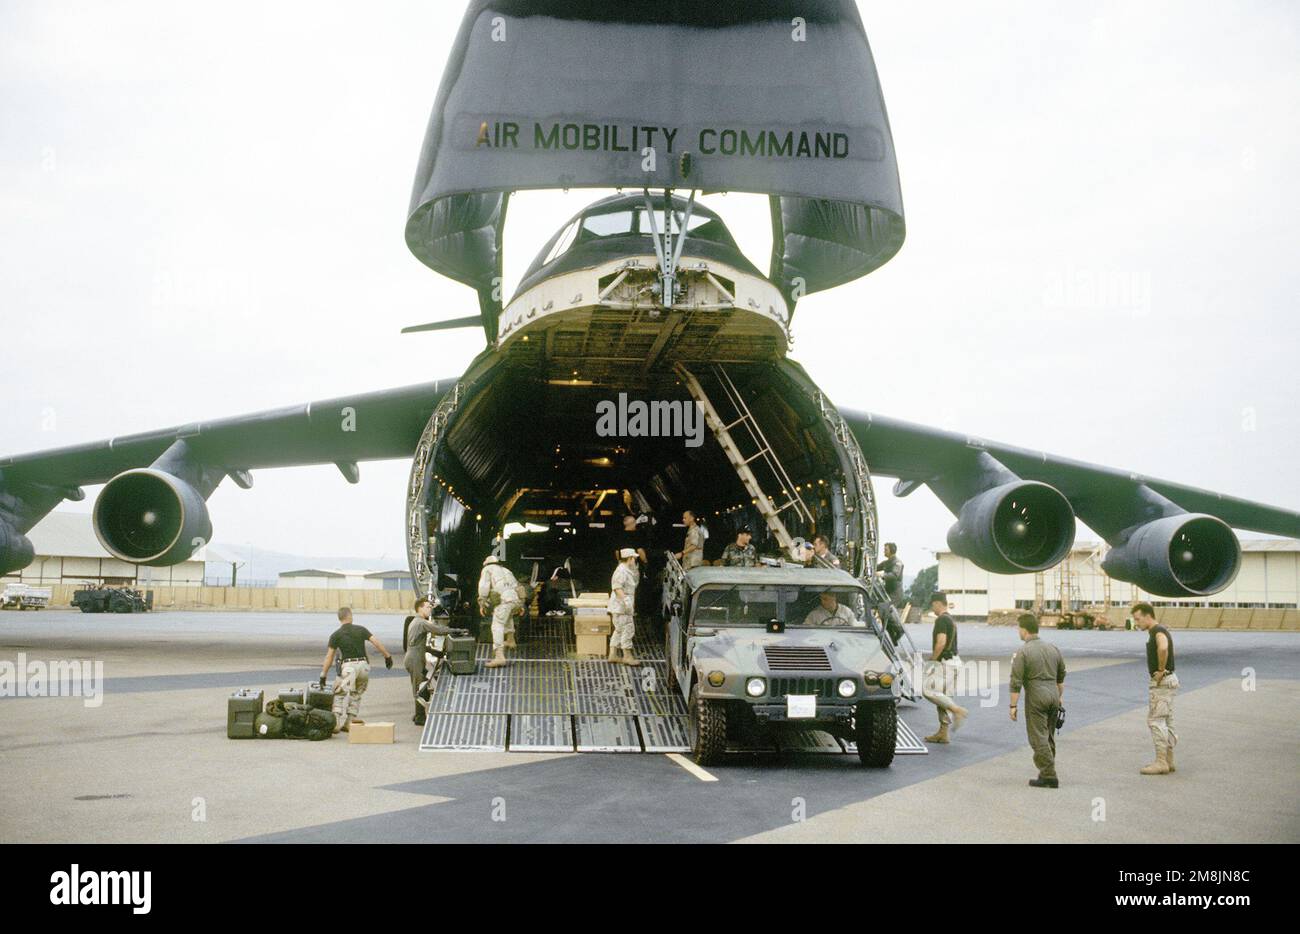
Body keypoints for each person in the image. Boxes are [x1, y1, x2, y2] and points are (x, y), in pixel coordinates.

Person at [1009, 613, 1066, 787]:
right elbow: (1061, 678)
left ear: (1024, 630)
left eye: (1018, 628)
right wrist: (1059, 697)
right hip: (1054, 695)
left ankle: (1049, 774)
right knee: (1048, 735)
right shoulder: (1053, 648)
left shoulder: (1023, 652)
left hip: (1036, 695)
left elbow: (1016, 682)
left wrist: (1013, 705)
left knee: (1037, 737)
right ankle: (1045, 772)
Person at [319, 606, 392, 734]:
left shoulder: (336, 635)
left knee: (339, 693)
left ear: (339, 618)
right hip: (364, 667)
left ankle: (336, 722)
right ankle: (349, 722)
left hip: (348, 668)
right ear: (350, 616)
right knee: (356, 694)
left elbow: (329, 656)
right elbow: (376, 642)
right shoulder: (361, 630)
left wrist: (323, 675)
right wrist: (387, 656)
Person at [1132, 602, 1178, 775]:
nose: (1137, 623)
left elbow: (1163, 646)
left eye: (1138, 619)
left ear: (1147, 616)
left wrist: (1160, 670)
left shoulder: (1157, 631)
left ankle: (1161, 762)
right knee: (1167, 721)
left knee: (1156, 720)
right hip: (1170, 680)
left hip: (1162, 682)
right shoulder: (1160, 629)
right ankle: (1169, 759)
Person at [922, 592, 968, 743]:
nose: (932, 608)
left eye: (932, 604)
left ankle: (957, 710)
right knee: (943, 698)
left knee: (929, 691)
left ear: (937, 603)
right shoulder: (951, 619)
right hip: (955, 662)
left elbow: (941, 642)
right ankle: (943, 733)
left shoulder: (941, 620)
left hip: (946, 663)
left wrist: (932, 661)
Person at [404, 597, 453, 726]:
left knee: (422, 685)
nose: (430, 609)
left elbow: (419, 644)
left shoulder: (415, 622)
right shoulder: (421, 622)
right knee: (419, 687)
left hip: (414, 656)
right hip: (415, 659)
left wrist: (435, 652)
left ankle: (418, 713)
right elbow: (439, 630)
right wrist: (456, 630)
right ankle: (420, 717)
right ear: (419, 608)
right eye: (427, 607)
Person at [478, 554, 522, 668]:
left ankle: (499, 657)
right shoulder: (506, 570)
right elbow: (518, 587)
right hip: (515, 599)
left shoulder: (487, 569)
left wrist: (482, 603)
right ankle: (511, 640)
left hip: (504, 600)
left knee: (497, 625)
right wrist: (521, 605)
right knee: (508, 615)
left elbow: (483, 587)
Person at [608, 548, 640, 666]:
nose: (635, 560)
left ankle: (613, 654)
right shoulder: (622, 571)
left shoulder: (626, 570)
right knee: (627, 629)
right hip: (621, 607)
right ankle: (627, 656)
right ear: (630, 558)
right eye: (634, 558)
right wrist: (626, 601)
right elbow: (617, 587)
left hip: (620, 607)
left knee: (619, 629)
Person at [877, 542, 905, 606]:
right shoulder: (886, 563)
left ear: (892, 550)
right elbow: (876, 567)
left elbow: (894, 575)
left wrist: (881, 575)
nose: (884, 551)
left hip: (895, 594)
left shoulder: (898, 563)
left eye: (886, 550)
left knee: (889, 611)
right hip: (888, 592)